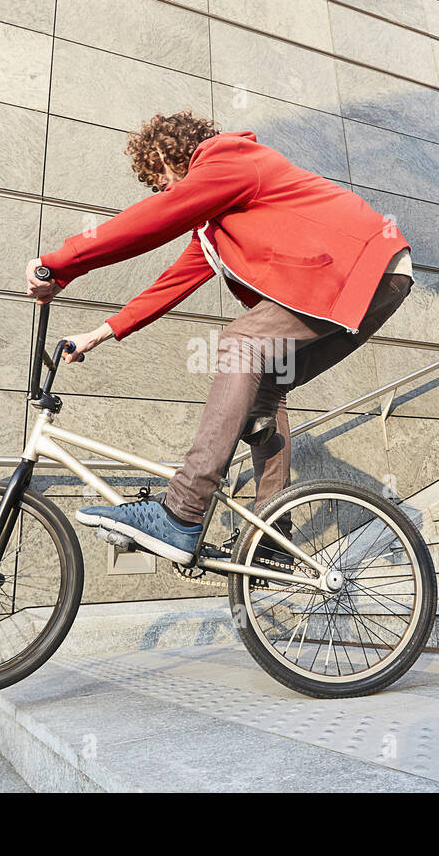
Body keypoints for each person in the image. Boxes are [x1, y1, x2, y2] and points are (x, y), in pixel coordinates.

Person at [25, 110, 413, 564]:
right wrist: (100, 333)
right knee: (267, 386)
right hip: (376, 281)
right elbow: (173, 283)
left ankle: (182, 511)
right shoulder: (217, 223)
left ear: (169, 156)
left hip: (361, 273)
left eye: (161, 179)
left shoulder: (230, 160)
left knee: (241, 343)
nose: (165, 191)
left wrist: (61, 263)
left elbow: (154, 219)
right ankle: (272, 534)